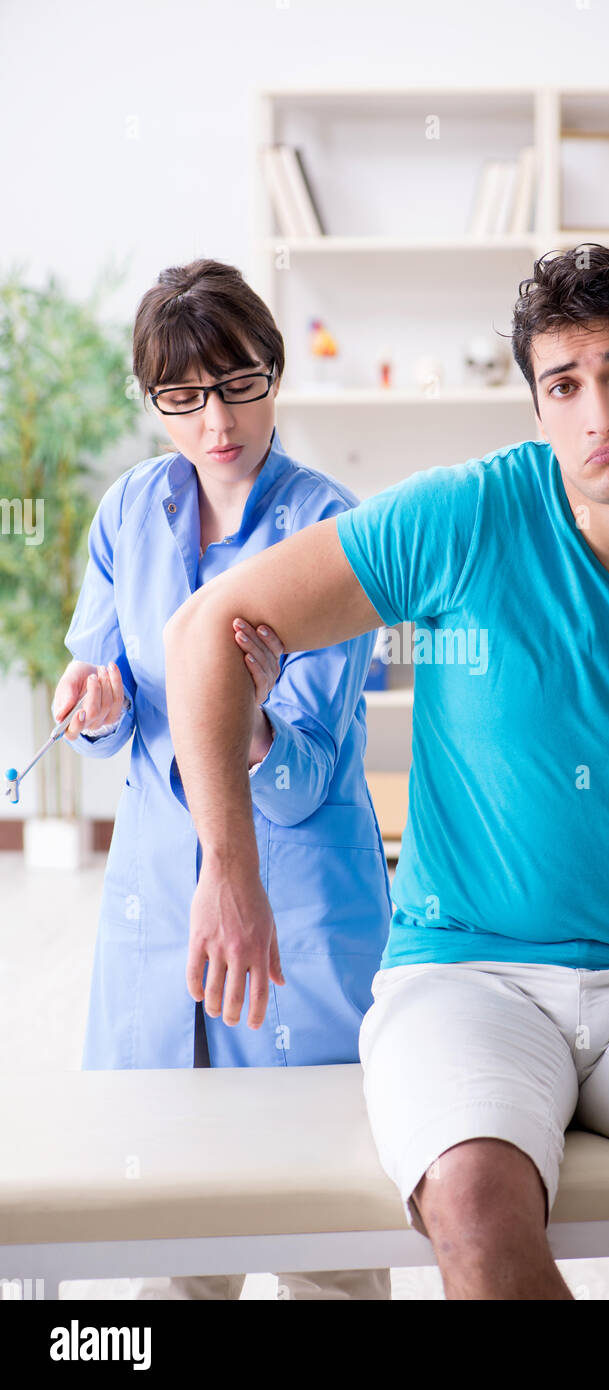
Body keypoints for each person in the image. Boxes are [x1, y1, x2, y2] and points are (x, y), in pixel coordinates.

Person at [160, 244, 609, 1300]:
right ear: (537, 407)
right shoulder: (464, 514)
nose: (597, 412)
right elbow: (210, 627)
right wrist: (230, 866)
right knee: (477, 1201)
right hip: (463, 973)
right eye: (564, 385)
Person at [55, 258, 392, 1301]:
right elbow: (111, 713)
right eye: (184, 396)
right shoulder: (130, 512)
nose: (217, 420)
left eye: (240, 383)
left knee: (324, 1241)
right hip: (159, 911)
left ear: (275, 374)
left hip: (294, 908)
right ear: (153, 399)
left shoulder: (331, 527)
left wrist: (252, 731)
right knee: (172, 1244)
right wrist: (100, 712)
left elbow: (304, 774)